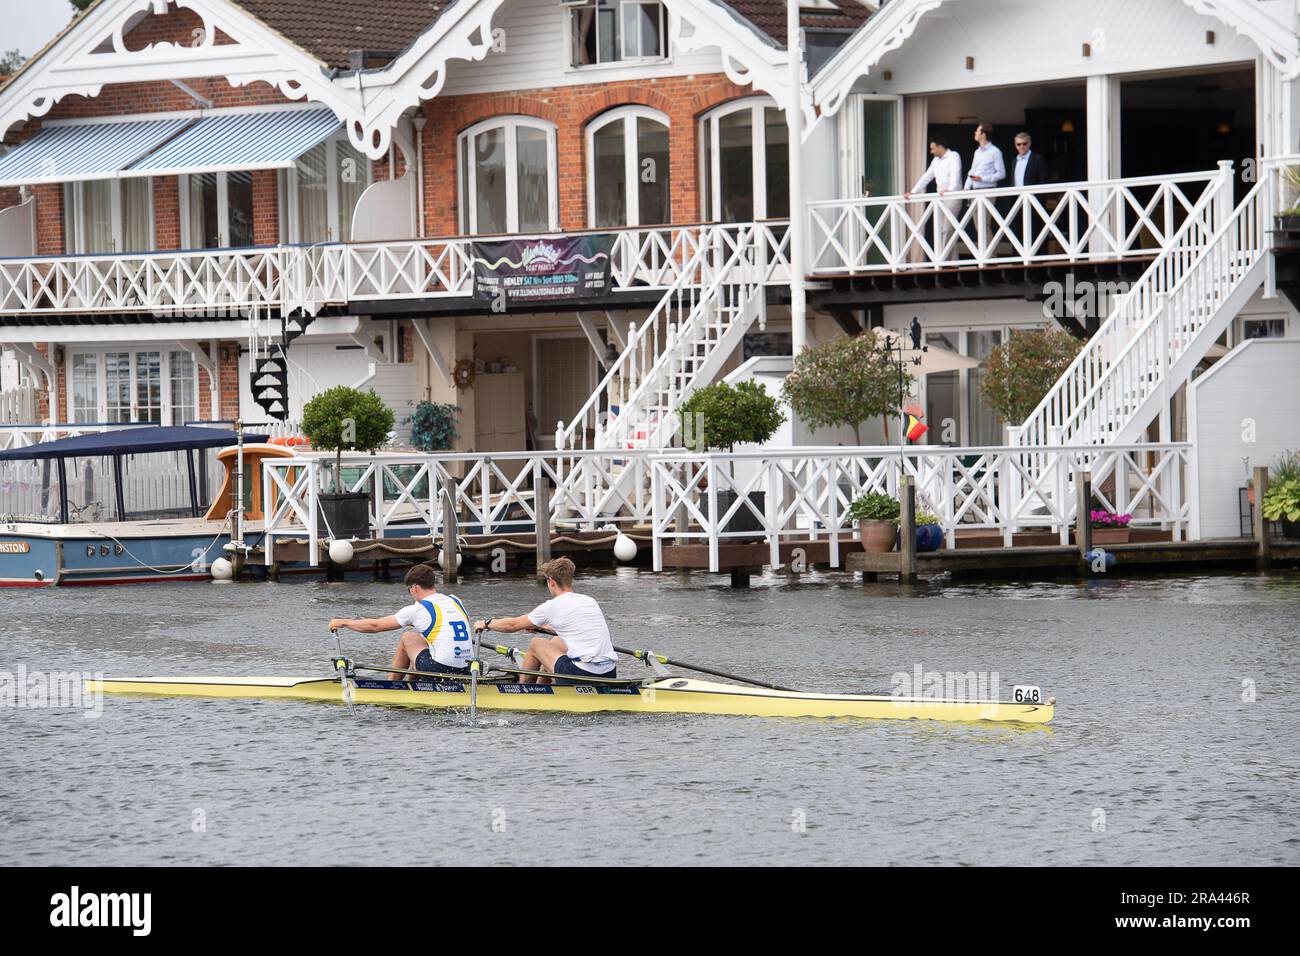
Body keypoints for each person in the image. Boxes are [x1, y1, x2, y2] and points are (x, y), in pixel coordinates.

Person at [474, 557, 618, 685]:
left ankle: (522, 692)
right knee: (556, 642)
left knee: (536, 643)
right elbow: (574, 630)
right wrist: (541, 627)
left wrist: (487, 623)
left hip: (583, 674)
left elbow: (512, 625)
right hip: (609, 673)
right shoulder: (589, 601)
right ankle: (543, 688)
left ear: (551, 582)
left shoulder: (552, 606)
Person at [328, 563, 473, 680]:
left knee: (408, 637)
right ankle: (415, 685)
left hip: (441, 670)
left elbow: (374, 626)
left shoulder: (418, 610)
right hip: (467, 670)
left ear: (415, 587)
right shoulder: (455, 600)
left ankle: (392, 685)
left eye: (408, 589)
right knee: (422, 639)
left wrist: (344, 622)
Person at [905, 138, 964, 258]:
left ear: (939, 146)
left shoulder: (953, 156)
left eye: (932, 148)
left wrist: (951, 189)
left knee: (947, 229)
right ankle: (952, 261)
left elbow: (956, 174)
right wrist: (913, 192)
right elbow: (926, 177)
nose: (931, 151)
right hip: (940, 199)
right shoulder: (935, 161)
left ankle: (943, 259)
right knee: (944, 229)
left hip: (952, 197)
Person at [964, 122, 1006, 191]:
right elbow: (972, 171)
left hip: (988, 189)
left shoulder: (995, 151)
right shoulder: (977, 152)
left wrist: (982, 179)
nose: (975, 132)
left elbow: (1001, 173)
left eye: (977, 131)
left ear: (983, 135)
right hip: (974, 189)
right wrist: (967, 187)